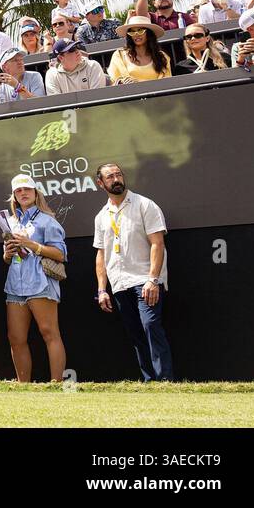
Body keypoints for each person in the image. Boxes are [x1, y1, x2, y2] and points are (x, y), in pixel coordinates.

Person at [92, 162, 172, 381]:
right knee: (136, 334)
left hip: (145, 280)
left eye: (118, 174)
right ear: (100, 183)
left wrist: (153, 280)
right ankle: (149, 382)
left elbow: (158, 244)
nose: (116, 179)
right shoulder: (101, 216)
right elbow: (101, 255)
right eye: (110, 177)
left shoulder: (144, 205)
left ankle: (165, 381)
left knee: (150, 326)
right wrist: (101, 290)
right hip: (119, 284)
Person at [0, 174, 67, 382]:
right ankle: (23, 387)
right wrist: (8, 253)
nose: (23, 193)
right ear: (14, 196)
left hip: (40, 284)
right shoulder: (10, 222)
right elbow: (6, 259)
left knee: (49, 333)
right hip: (15, 285)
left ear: (35, 193)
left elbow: (60, 254)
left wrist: (32, 245)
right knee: (15, 338)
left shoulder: (48, 221)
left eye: (27, 189)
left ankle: (56, 384)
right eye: (19, 191)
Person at [108, 17, 172, 84]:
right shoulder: (119, 55)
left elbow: (167, 81)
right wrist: (121, 82)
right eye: (132, 32)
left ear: (149, 33)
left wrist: (139, 82)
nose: (136, 34)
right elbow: (112, 82)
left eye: (140, 30)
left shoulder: (162, 56)